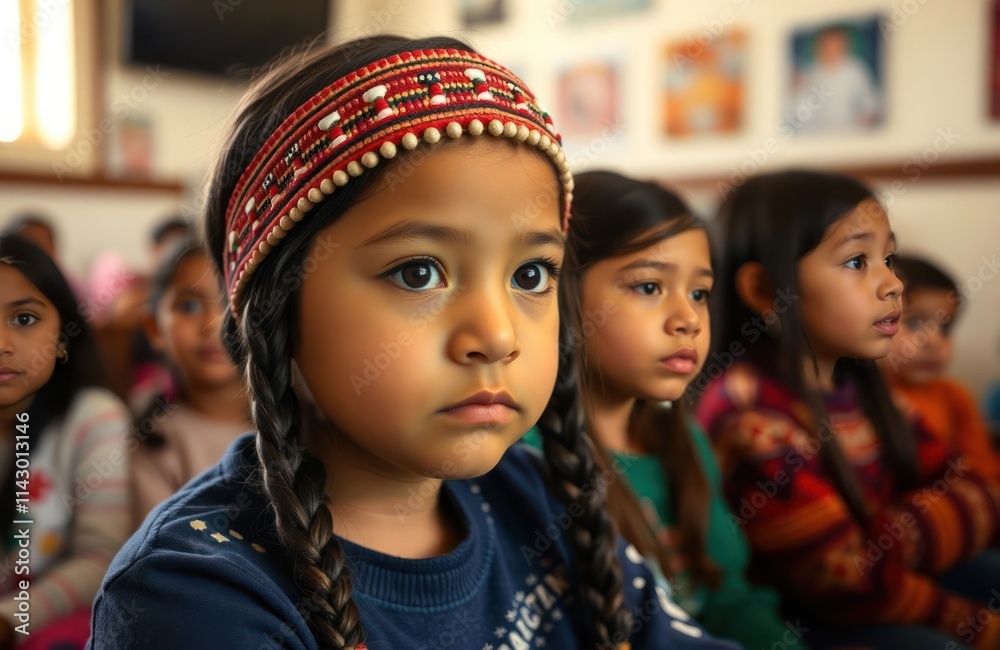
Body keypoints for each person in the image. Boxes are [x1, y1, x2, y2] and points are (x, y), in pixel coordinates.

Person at [87, 36, 739, 649]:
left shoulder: (537, 495)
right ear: (277, 309)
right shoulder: (193, 594)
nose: (498, 335)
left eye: (530, 275)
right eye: (418, 272)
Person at [695, 169, 1000, 649]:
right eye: (858, 261)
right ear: (765, 291)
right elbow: (849, 581)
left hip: (881, 591)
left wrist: (880, 540)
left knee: (988, 571)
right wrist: (978, 627)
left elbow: (979, 486)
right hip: (804, 626)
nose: (894, 284)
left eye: (889, 257)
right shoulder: (749, 416)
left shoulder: (862, 386)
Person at [524, 170, 802, 649]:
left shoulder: (684, 441)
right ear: (563, 294)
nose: (688, 319)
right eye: (649, 287)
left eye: (699, 293)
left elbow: (727, 599)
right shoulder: (526, 461)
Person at [0, 235, 131, 649]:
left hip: (50, 620)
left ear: (62, 339)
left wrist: (8, 621)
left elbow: (101, 558)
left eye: (24, 319)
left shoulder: (93, 418)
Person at [130, 237, 251, 526]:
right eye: (190, 307)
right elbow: (157, 554)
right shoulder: (154, 435)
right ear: (154, 328)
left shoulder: (298, 418)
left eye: (230, 303)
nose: (214, 323)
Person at [880, 255, 1000, 481]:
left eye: (946, 326)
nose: (933, 340)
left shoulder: (955, 396)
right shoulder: (863, 398)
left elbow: (984, 473)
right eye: (914, 322)